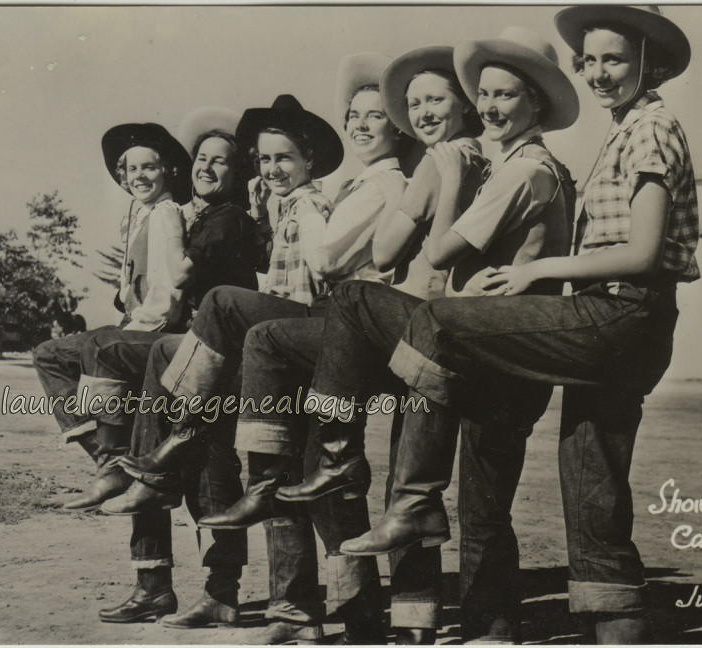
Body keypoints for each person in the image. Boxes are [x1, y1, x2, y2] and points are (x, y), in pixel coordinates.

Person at [354, 8, 698, 643]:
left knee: (438, 322)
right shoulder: (625, 130)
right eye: (590, 60)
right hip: (622, 317)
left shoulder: (649, 129)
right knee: (590, 477)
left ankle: (416, 503)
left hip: (620, 310)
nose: (600, 73)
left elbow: (645, 252)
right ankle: (615, 629)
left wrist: (535, 275)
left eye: (615, 59)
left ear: (650, 63)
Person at [292, 28, 579, 643]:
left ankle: (340, 455)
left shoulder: (514, 170)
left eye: (504, 95)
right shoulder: (515, 164)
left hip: (483, 348)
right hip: (494, 351)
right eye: (488, 92)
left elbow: (434, 258)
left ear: (534, 103)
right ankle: (490, 626)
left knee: (353, 299)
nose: (493, 106)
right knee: (483, 502)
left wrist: (445, 182)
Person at [197, 48, 485, 644]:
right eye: (352, 114)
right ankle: (371, 616)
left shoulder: (391, 181)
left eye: (374, 115)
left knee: (390, 480)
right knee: (362, 478)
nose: (358, 124)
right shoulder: (367, 181)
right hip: (361, 336)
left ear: (396, 126)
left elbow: (343, 262)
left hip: (389, 332)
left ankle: (380, 613)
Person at [89, 94, 347, 644]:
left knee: (279, 473)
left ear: (309, 163)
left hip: (283, 352)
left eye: (282, 160)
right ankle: (275, 604)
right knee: (264, 471)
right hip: (260, 355)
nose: (271, 170)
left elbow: (323, 268)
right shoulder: (260, 214)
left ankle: (299, 604)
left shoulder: (280, 212)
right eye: (264, 161)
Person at [31, 122, 192, 499]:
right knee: (49, 354)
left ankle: (113, 459)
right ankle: (110, 461)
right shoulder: (139, 215)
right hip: (135, 319)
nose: (140, 176)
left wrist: (135, 327)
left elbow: (168, 291)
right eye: (131, 169)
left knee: (100, 347)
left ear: (167, 170)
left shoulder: (166, 212)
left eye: (149, 167)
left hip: (155, 326)